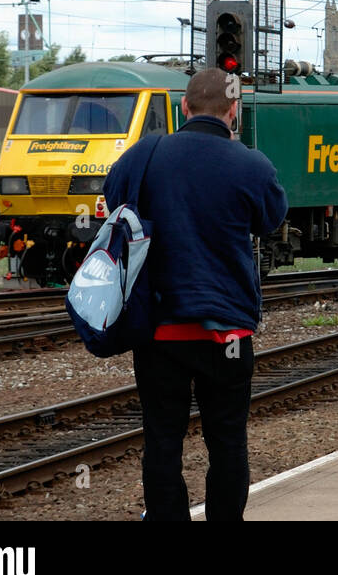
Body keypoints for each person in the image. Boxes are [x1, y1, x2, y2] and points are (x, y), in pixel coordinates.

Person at [103, 68, 288, 520]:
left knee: (161, 437)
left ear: (183, 108)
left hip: (158, 330)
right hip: (226, 333)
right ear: (233, 112)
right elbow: (270, 221)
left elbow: (113, 206)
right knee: (226, 439)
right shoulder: (252, 164)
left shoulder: (142, 155)